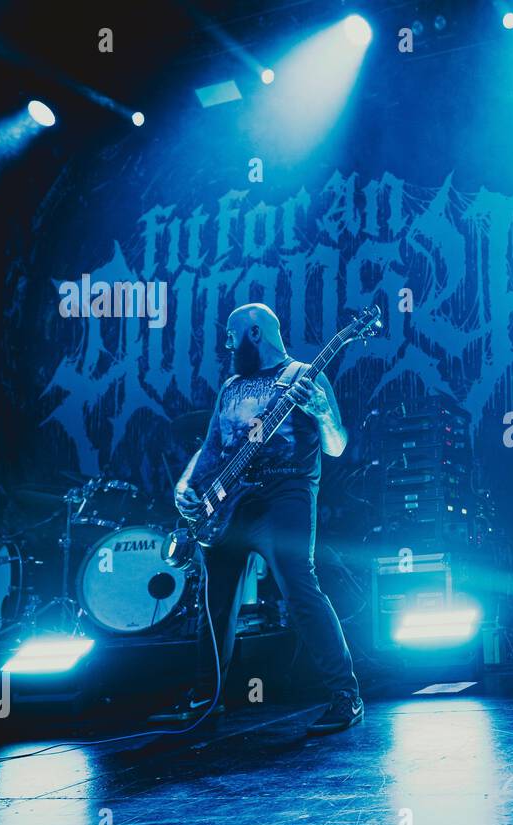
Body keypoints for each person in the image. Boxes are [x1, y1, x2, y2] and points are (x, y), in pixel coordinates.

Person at [151, 303, 364, 735]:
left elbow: (337, 446)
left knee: (299, 587)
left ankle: (346, 695)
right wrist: (185, 485)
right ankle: (205, 698)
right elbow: (211, 447)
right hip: (228, 504)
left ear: (253, 332)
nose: (226, 344)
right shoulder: (231, 387)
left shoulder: (305, 375)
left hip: (284, 493)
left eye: (231, 336)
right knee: (214, 603)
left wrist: (322, 410)